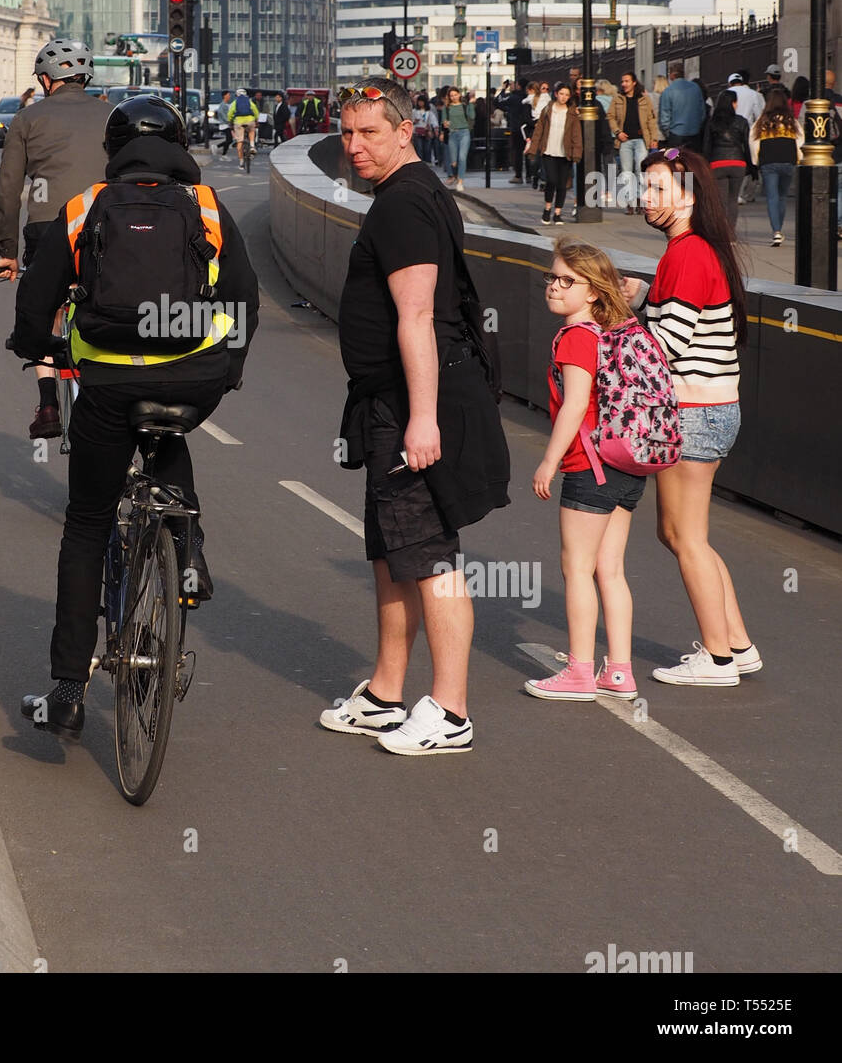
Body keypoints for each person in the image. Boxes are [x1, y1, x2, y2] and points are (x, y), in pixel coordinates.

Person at [12, 96, 259, 739]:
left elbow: (36, 296)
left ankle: (66, 689)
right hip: (194, 376)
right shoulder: (206, 206)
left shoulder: (84, 207)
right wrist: (226, 369)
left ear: (112, 150)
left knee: (88, 524)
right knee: (170, 434)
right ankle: (187, 551)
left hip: (110, 381)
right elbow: (243, 297)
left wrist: (30, 342)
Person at [321, 80, 508, 754]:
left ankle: (451, 711)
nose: (354, 146)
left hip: (413, 404)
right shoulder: (412, 193)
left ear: (405, 131)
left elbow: (418, 314)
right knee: (393, 553)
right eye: (346, 133)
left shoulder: (402, 205)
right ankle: (384, 692)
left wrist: (421, 419)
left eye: (369, 132)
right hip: (389, 402)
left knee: (430, 556)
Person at [623, 149, 759, 686]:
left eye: (659, 189)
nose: (647, 199)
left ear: (690, 196)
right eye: (647, 187)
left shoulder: (685, 254)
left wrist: (612, 336)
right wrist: (642, 296)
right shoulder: (699, 251)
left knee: (685, 537)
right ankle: (737, 644)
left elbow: (666, 346)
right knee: (685, 533)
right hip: (714, 406)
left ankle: (718, 659)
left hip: (692, 411)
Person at [527, 239, 644, 701]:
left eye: (566, 281)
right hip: (626, 464)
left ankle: (578, 672)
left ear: (593, 291)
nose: (554, 287)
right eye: (551, 277)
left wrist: (548, 462)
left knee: (576, 568)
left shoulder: (577, 337)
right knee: (610, 569)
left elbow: (575, 405)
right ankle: (619, 670)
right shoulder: (614, 330)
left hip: (588, 464)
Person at [0, 38, 110, 438]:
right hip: (103, 226)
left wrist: (7, 253)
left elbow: (8, 191)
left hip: (49, 228)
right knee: (108, 304)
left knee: (46, 310)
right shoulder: (114, 116)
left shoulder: (26, 120)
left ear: (46, 79)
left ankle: (47, 402)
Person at [749, 85, 804, 246]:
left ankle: (776, 231)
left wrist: (755, 161)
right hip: (788, 160)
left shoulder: (762, 121)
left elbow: (753, 141)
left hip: (769, 161)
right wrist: (799, 159)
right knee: (782, 196)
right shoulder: (791, 121)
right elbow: (800, 141)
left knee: (772, 197)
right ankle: (779, 227)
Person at [528, 82, 582, 225]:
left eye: (567, 95)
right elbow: (539, 130)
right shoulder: (547, 110)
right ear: (556, 94)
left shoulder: (572, 112)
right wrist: (533, 148)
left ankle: (557, 213)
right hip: (549, 151)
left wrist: (577, 152)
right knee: (551, 180)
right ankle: (547, 209)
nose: (564, 97)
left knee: (562, 184)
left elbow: (576, 134)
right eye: (561, 94)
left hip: (565, 152)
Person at [607, 71, 659, 213]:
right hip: (625, 140)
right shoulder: (618, 98)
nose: (624, 84)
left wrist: (654, 138)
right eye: (622, 81)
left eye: (627, 81)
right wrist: (618, 132)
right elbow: (610, 116)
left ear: (634, 82)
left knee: (640, 171)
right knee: (626, 172)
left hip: (641, 139)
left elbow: (651, 119)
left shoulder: (644, 99)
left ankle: (640, 201)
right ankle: (630, 203)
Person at [701, 89, 752, 229]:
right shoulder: (742, 122)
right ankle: (731, 233)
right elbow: (746, 146)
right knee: (732, 200)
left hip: (718, 163)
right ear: (734, 103)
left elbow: (706, 146)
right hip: (738, 163)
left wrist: (705, 165)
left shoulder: (712, 122)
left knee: (721, 201)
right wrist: (751, 166)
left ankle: (721, 231)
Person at [658, 61, 706, 149]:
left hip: (676, 134)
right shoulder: (695, 87)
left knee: (675, 161)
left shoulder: (668, 91)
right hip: (694, 133)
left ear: (671, 75)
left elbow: (664, 117)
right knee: (693, 161)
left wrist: (668, 134)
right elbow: (702, 112)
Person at [441, 87, 474, 189]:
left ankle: (460, 181)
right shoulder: (446, 108)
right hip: (452, 134)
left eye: (455, 95)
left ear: (459, 94)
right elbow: (444, 121)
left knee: (462, 157)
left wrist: (472, 104)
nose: (453, 97)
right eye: (451, 95)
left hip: (464, 133)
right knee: (454, 161)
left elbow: (472, 116)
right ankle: (454, 176)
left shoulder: (465, 106)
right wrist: (445, 125)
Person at [228, 88, 259, 166]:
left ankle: (241, 161)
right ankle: (252, 146)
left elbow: (230, 114)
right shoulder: (249, 101)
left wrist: (230, 121)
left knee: (239, 141)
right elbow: (255, 111)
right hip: (250, 120)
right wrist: (256, 120)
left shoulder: (235, 102)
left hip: (238, 122)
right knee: (252, 131)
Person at [411, 91, 439, 164]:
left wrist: (435, 128)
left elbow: (434, 121)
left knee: (427, 148)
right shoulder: (414, 111)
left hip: (427, 131)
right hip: (417, 132)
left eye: (422, 102)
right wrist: (414, 121)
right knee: (419, 148)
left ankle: (427, 161)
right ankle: (420, 162)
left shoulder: (429, 112)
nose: (420, 103)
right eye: (419, 102)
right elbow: (410, 121)